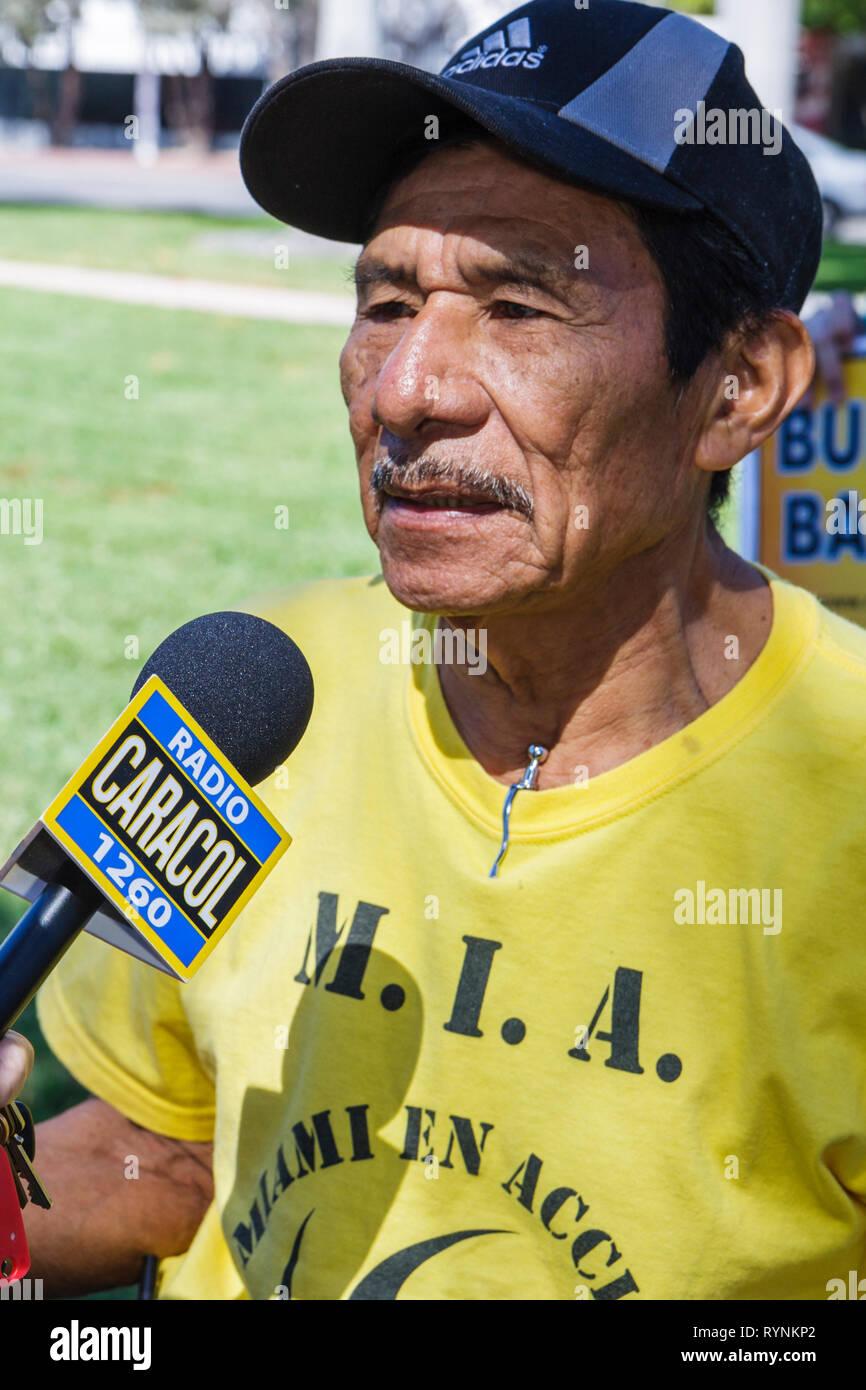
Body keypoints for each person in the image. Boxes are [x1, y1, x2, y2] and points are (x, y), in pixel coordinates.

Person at [3, 0, 866, 1300]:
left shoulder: (841, 788)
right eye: (387, 299)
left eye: (518, 304)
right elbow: (156, 1150)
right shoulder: (242, 694)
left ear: (737, 386)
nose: (407, 388)